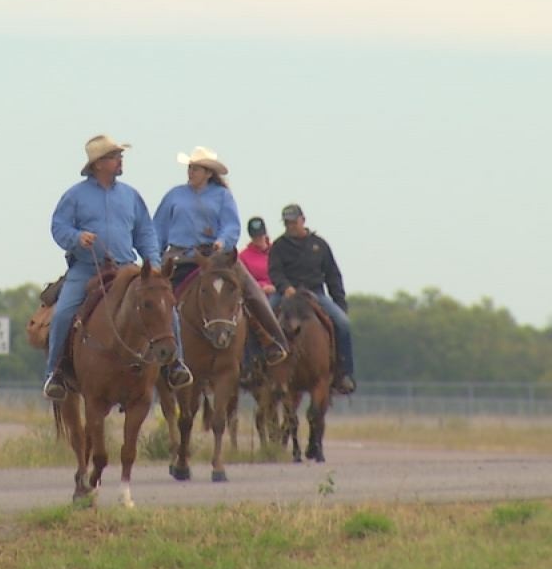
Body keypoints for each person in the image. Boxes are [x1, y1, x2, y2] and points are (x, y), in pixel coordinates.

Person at [42, 134, 193, 401]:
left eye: (119, 156)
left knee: (166, 309)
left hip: (127, 269)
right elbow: (58, 226)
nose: (120, 160)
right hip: (87, 268)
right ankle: (55, 373)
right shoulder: (75, 196)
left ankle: (175, 365)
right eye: (114, 157)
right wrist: (76, 238)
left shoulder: (131, 196)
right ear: (99, 163)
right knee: (63, 313)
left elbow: (146, 232)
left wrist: (154, 264)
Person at [153, 147, 288, 366]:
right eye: (190, 168)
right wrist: (155, 258)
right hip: (182, 256)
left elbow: (231, 225)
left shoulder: (223, 196)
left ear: (208, 173)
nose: (191, 172)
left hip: (217, 257)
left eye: (196, 168)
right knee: (157, 299)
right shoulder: (174, 196)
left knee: (253, 293)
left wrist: (221, 242)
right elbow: (157, 228)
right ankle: (158, 355)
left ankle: (273, 341)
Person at [267, 204, 357, 394]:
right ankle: (256, 367)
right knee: (263, 318)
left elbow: (333, 276)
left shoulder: (320, 245)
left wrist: (340, 304)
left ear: (303, 220)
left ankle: (344, 373)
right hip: (286, 293)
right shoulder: (279, 246)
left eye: (293, 221)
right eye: (287, 223)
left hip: (314, 292)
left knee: (343, 323)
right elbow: (275, 271)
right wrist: (285, 288)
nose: (290, 226)